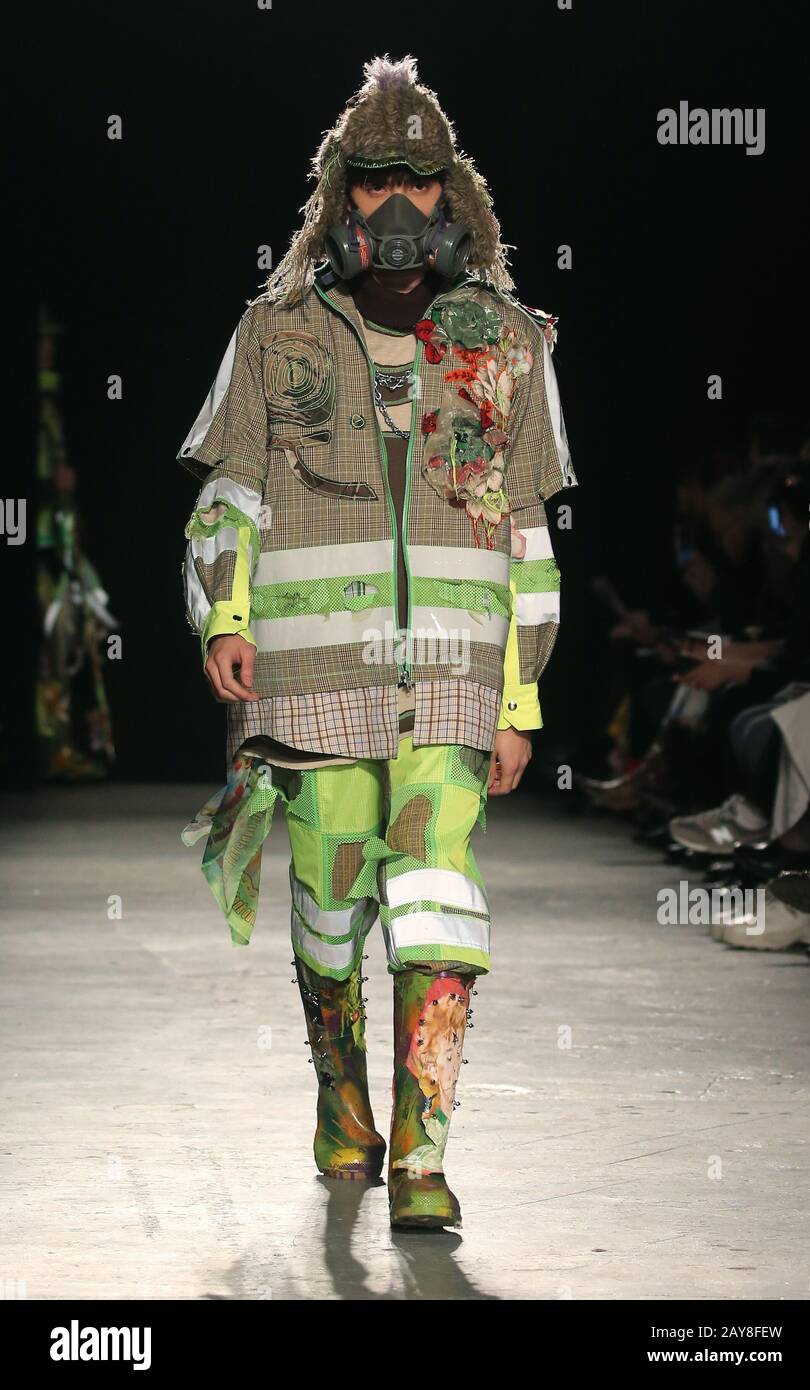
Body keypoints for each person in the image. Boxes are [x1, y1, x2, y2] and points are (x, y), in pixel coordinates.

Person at [177, 54, 576, 1230]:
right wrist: (226, 612)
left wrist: (524, 696)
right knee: (329, 898)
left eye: (417, 179)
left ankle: (424, 1154)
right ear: (336, 193)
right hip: (308, 679)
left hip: (452, 679)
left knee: (441, 895)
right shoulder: (273, 331)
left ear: (455, 194)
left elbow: (525, 527)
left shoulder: (506, 341)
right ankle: (341, 1099)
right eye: (371, 180)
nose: (394, 206)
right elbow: (227, 493)